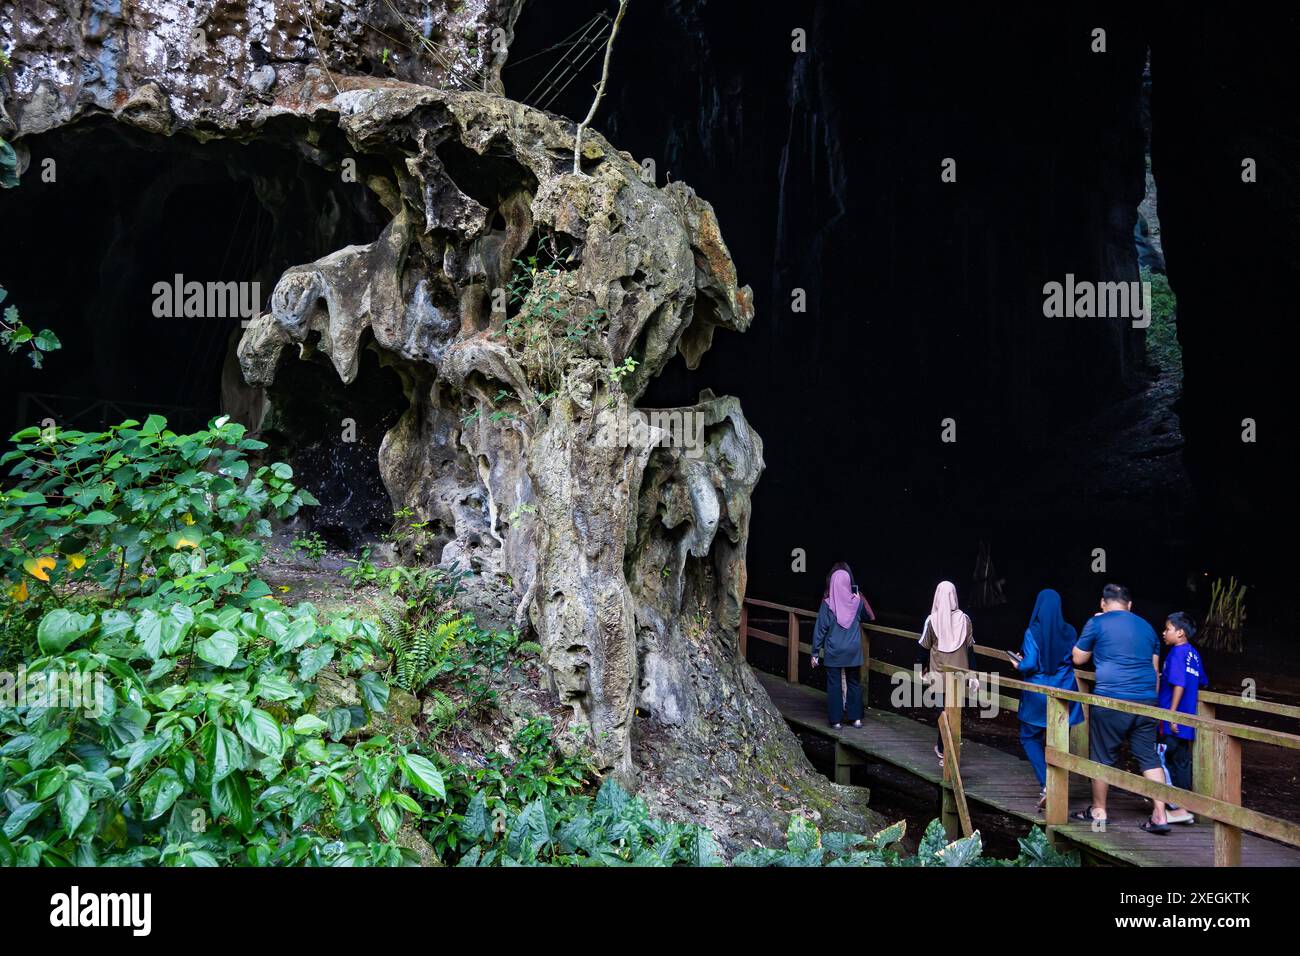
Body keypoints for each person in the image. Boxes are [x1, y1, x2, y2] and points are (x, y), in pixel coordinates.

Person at [1070, 583, 1171, 834]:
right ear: (1130, 605)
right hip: (1147, 699)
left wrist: (1094, 627)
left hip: (1111, 698)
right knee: (1149, 756)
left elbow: (1078, 658)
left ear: (1103, 603)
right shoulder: (1147, 627)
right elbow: (1155, 669)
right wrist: (1153, 704)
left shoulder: (1097, 623)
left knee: (1102, 755)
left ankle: (1099, 811)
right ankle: (1160, 814)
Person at [1007, 589, 1084, 809]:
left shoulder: (1033, 631)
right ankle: (1057, 787)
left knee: (1029, 738)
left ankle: (1047, 784)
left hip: (1038, 695)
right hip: (1065, 693)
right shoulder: (1070, 631)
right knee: (1059, 743)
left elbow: (1030, 664)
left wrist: (1018, 664)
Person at [1156, 610, 1207, 825]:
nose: (1164, 632)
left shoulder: (1176, 653)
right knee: (1181, 763)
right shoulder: (1193, 654)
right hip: (1187, 722)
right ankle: (1183, 807)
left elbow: (1179, 683)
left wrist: (1172, 715)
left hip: (1172, 722)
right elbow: (1202, 681)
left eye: (1167, 629)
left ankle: (1179, 808)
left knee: (1161, 761)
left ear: (1180, 633)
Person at [810, 563, 876, 728]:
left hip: (834, 650)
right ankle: (856, 719)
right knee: (854, 683)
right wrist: (859, 595)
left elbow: (820, 629)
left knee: (834, 685)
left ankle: (836, 721)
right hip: (853, 650)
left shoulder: (827, 604)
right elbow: (870, 616)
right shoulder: (857, 602)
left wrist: (815, 653)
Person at [918, 580, 976, 766]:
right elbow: (970, 648)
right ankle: (943, 748)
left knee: (942, 713)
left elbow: (923, 647)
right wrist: (973, 674)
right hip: (959, 676)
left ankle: (946, 753)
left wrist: (920, 669)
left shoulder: (932, 620)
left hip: (938, 675)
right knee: (953, 714)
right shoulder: (965, 620)